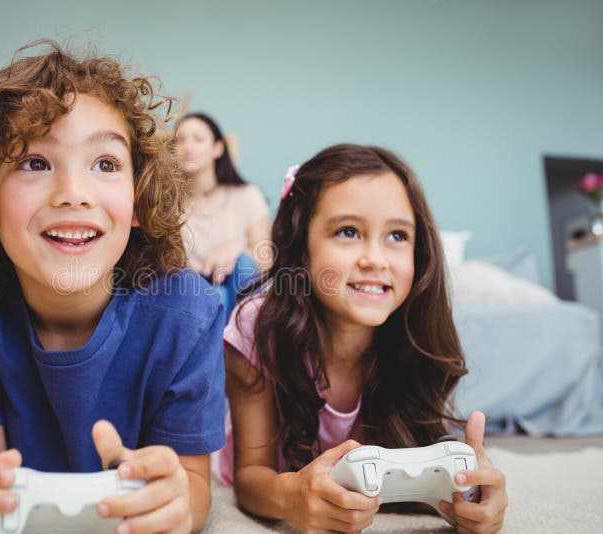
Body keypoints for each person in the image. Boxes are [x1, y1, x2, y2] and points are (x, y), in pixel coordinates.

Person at [0, 41, 226, 534]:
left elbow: (191, 487)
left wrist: (175, 503)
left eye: (105, 164)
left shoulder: (190, 313)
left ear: (138, 201)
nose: (73, 193)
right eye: (34, 162)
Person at [218, 144, 508, 533]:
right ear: (300, 248)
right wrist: (291, 496)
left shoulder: (413, 333)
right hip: (269, 474)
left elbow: (421, 457)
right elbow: (251, 477)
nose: (376, 259)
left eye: (397, 236)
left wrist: (470, 494)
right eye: (348, 231)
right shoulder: (256, 328)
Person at [174, 113, 271, 313]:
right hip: (194, 293)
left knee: (241, 265)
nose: (187, 147)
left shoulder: (247, 195)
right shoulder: (167, 206)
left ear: (218, 148)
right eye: (180, 140)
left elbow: (267, 260)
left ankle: (238, 337)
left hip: (242, 285)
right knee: (214, 295)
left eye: (198, 139)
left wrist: (237, 249)